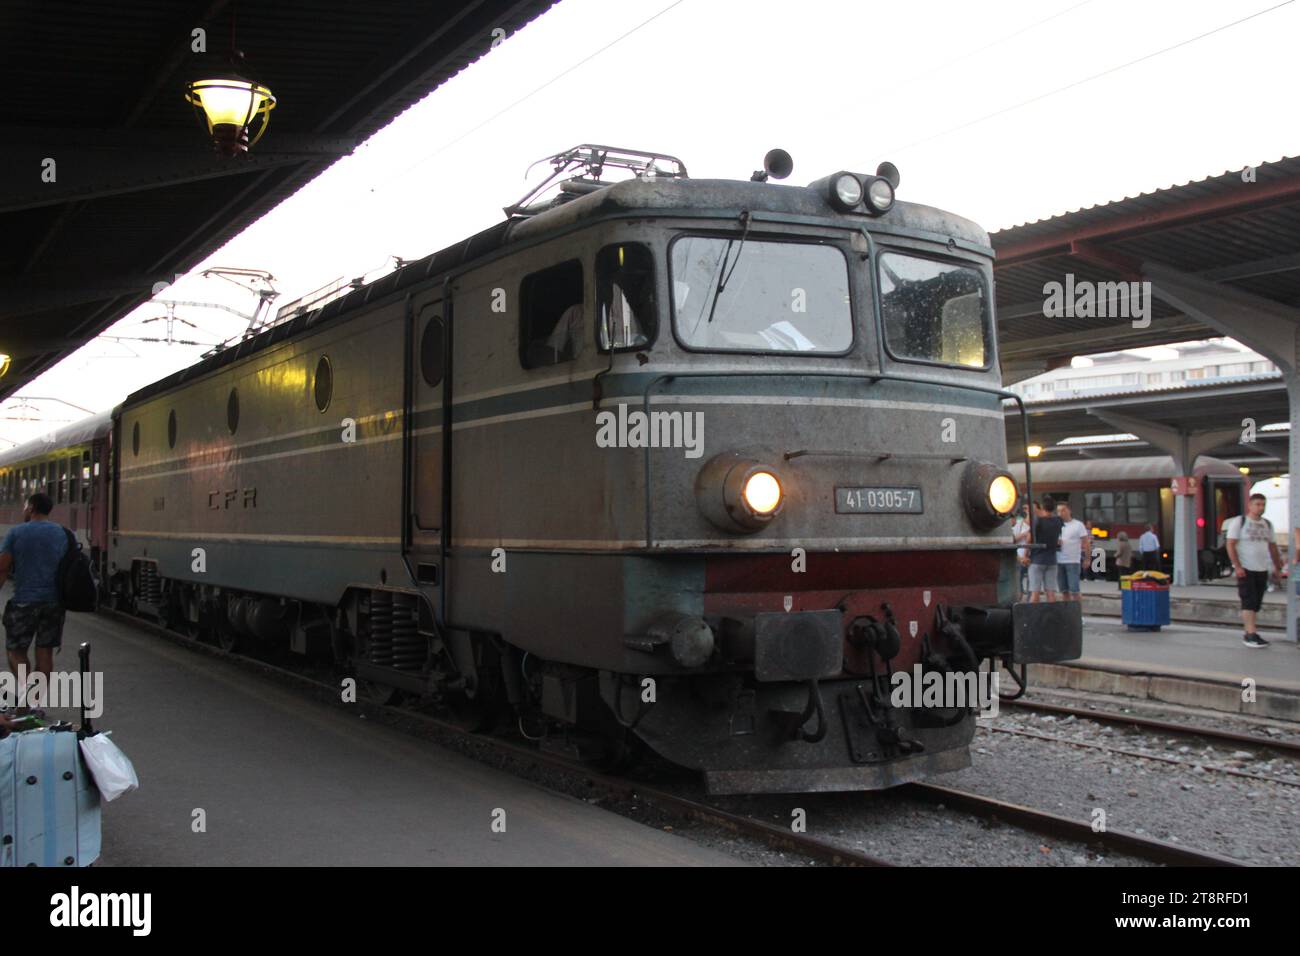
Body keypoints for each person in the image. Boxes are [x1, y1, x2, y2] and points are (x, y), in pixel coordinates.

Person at [0, 492, 70, 711]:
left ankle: (27, 699)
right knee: (45, 653)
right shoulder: (62, 533)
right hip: (54, 603)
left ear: (31, 508)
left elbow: (3, 567)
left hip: (24, 601)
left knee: (16, 651)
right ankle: (36, 702)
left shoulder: (16, 533)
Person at [1226, 492, 1287, 648]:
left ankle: (1251, 632)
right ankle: (1250, 633)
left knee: (1256, 602)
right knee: (1248, 601)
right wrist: (1237, 566)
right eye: (1257, 504)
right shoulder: (1240, 522)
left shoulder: (1267, 524)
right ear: (1250, 505)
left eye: (1263, 505)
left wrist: (1277, 567)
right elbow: (1230, 544)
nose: (1261, 507)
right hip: (1246, 568)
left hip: (1262, 568)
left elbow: (1272, 547)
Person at [1027, 495, 1062, 603]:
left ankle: (1033, 613)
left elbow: (1029, 539)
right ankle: (1052, 613)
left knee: (1035, 593)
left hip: (1037, 559)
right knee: (1051, 593)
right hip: (1052, 560)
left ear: (1042, 507)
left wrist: (1025, 555)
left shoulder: (1038, 521)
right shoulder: (1058, 521)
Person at [1055, 502, 1090, 602]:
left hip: (1073, 561)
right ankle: (1067, 610)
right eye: (1058, 511)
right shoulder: (1056, 525)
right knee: (1064, 590)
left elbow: (1086, 543)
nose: (1060, 513)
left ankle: (1077, 610)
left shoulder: (1078, 525)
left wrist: (1087, 559)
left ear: (1069, 510)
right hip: (1059, 560)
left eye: (1063, 510)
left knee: (1074, 590)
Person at [1012, 504, 1031, 597]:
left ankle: (1029, 600)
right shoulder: (1019, 524)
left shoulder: (1036, 524)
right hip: (1020, 556)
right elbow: (1013, 539)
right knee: (1018, 580)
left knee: (1031, 581)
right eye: (1025, 509)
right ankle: (1019, 598)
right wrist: (1024, 534)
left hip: (1030, 556)